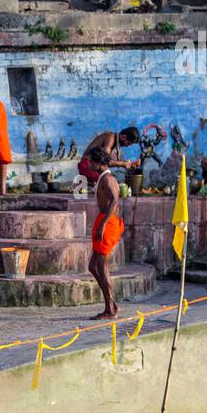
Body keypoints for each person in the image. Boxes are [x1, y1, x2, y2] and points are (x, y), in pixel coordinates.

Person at [87, 147, 123, 320]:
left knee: (102, 267)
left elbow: (115, 201)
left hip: (108, 223)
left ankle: (110, 309)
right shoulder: (103, 177)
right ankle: (112, 304)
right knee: (93, 267)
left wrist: (103, 223)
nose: (89, 164)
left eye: (91, 162)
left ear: (100, 163)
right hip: (104, 220)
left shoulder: (108, 179)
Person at [77, 127, 141, 185]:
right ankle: (88, 183)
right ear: (123, 137)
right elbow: (106, 161)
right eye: (128, 143)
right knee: (111, 184)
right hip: (87, 165)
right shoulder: (110, 137)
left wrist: (129, 165)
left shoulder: (116, 144)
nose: (127, 146)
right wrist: (124, 164)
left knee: (113, 183)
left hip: (93, 167)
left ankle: (91, 183)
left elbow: (111, 162)